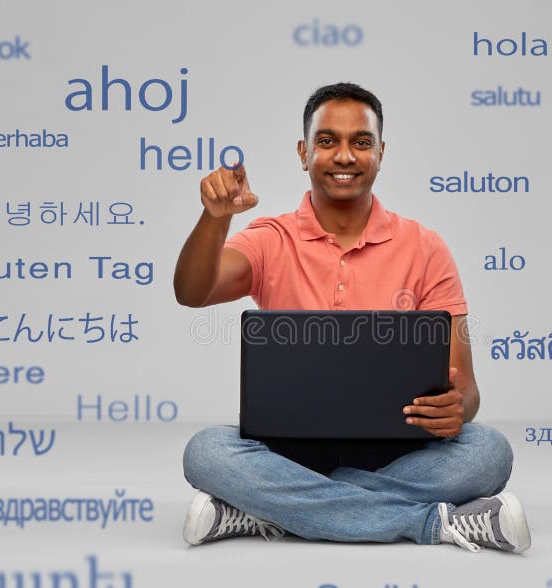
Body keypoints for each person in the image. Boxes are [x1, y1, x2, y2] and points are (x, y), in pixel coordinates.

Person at [173, 83, 531, 554]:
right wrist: (215, 217)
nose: (344, 155)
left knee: (487, 452)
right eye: (327, 141)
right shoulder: (269, 239)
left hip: (396, 449)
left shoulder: (426, 248)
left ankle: (269, 509)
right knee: (206, 451)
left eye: (361, 142)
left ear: (381, 153)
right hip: (289, 448)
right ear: (304, 153)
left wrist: (456, 409)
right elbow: (191, 292)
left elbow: (467, 391)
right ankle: (432, 524)